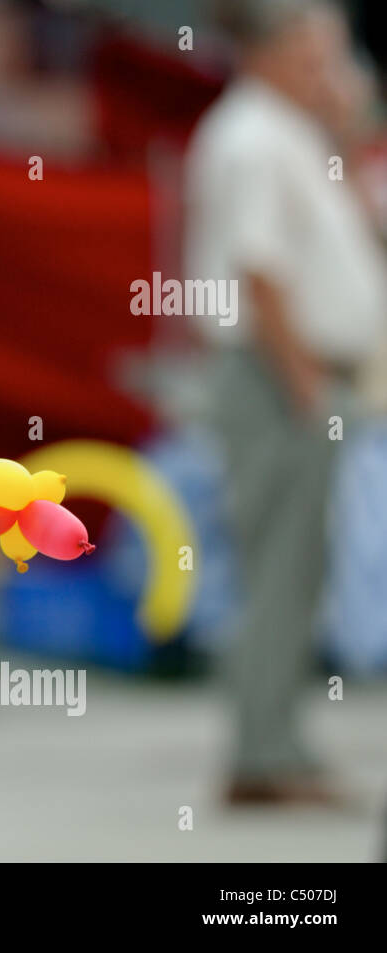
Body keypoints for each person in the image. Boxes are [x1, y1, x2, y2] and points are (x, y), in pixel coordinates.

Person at [183, 0, 386, 803]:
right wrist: (305, 386)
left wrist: (344, 129)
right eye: (313, 59)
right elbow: (257, 271)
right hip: (278, 377)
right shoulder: (252, 138)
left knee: (301, 566)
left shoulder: (297, 136)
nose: (331, 77)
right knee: (279, 567)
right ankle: (264, 755)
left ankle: (278, 743)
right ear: (267, 57)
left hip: (307, 375)